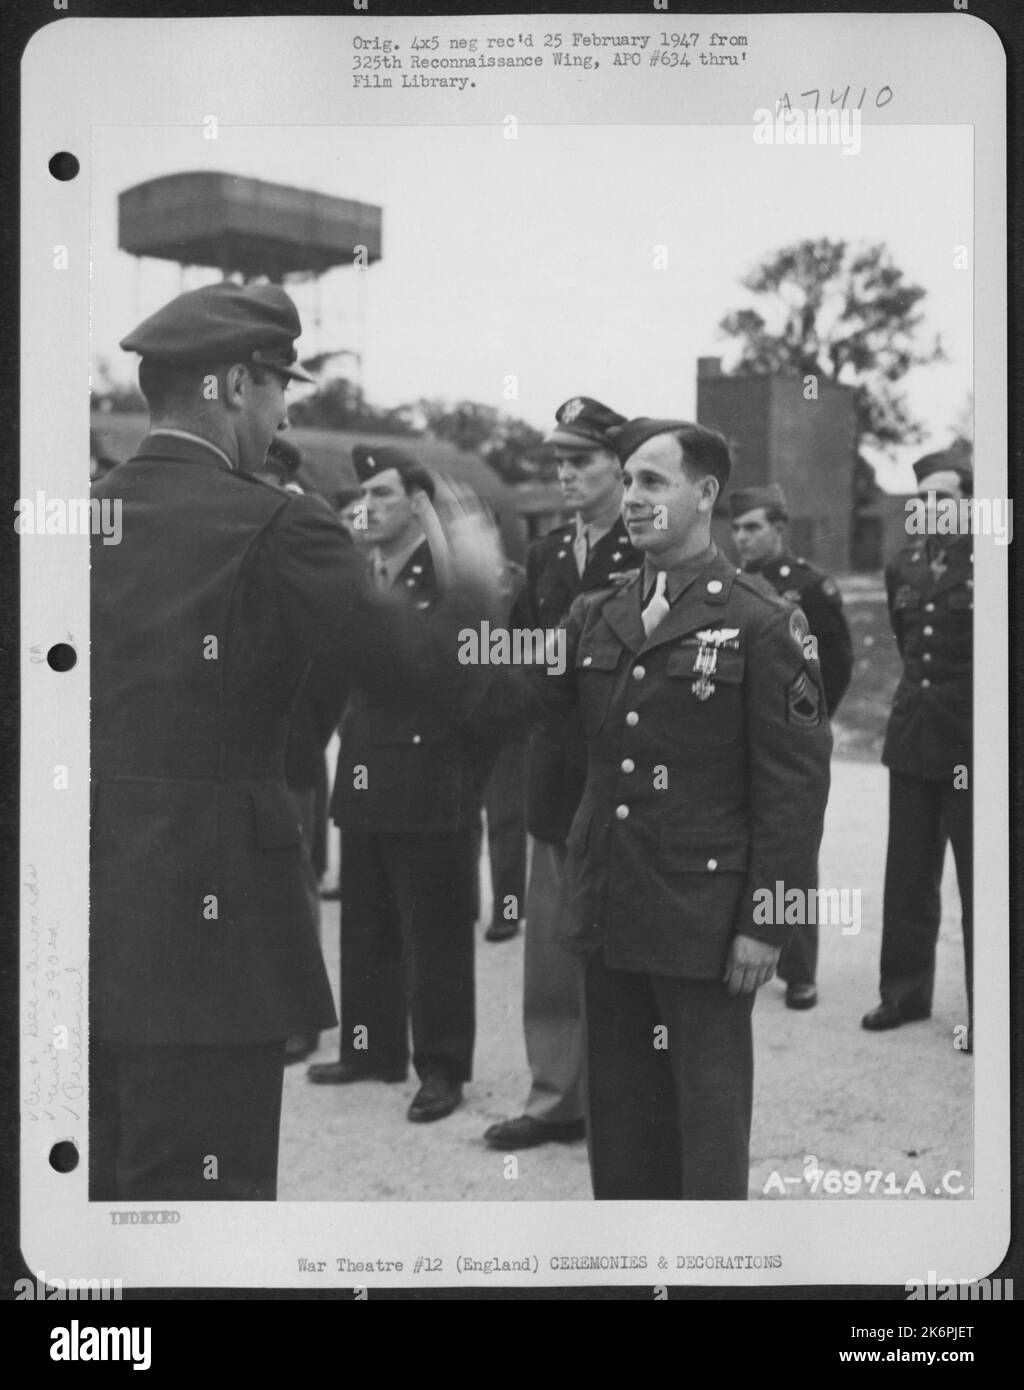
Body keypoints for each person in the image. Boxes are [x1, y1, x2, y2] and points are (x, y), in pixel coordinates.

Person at [90, 281, 498, 1200]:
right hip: (216, 926)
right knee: (204, 1201)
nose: (280, 415)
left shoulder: (82, 516)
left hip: (83, 914)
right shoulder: (277, 522)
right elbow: (415, 665)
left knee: (100, 1195)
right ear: (235, 386)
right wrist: (472, 579)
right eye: (279, 389)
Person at [512, 418, 832, 1199]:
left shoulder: (762, 620)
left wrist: (767, 921)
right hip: (611, 904)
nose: (632, 498)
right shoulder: (598, 611)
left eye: (652, 482)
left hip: (704, 919)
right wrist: (458, 613)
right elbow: (515, 690)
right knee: (620, 1128)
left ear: (706, 494)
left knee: (707, 1126)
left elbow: (795, 788)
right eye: (626, 483)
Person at [308, 445, 486, 1123]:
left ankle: (440, 1066)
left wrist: (467, 774)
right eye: (363, 495)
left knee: (435, 931)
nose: (366, 506)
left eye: (382, 494)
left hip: (428, 772)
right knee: (368, 919)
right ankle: (370, 1045)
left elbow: (468, 677)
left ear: (417, 505)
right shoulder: (364, 572)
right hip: (365, 766)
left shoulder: (442, 575)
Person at [484, 395, 640, 1150]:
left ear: (621, 465)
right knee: (549, 954)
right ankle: (555, 1101)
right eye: (560, 461)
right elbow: (518, 650)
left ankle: (619, 1101)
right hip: (554, 777)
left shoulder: (651, 549)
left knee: (616, 951)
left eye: (582, 460)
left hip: (628, 781)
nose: (566, 473)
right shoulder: (548, 555)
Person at [862, 451, 973, 1044]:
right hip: (912, 737)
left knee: (981, 877)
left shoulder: (993, 563)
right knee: (907, 872)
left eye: (944, 500)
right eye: (922, 500)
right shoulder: (902, 566)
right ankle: (903, 994)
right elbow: (909, 647)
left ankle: (992, 1007)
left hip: (970, 744)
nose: (930, 510)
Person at [729, 482, 853, 1009]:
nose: (741, 537)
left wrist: (806, 727)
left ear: (780, 528)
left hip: (784, 737)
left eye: (752, 527)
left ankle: (800, 970)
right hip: (734, 741)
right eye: (735, 528)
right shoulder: (730, 585)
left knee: (790, 852)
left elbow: (838, 667)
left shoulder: (811, 587)